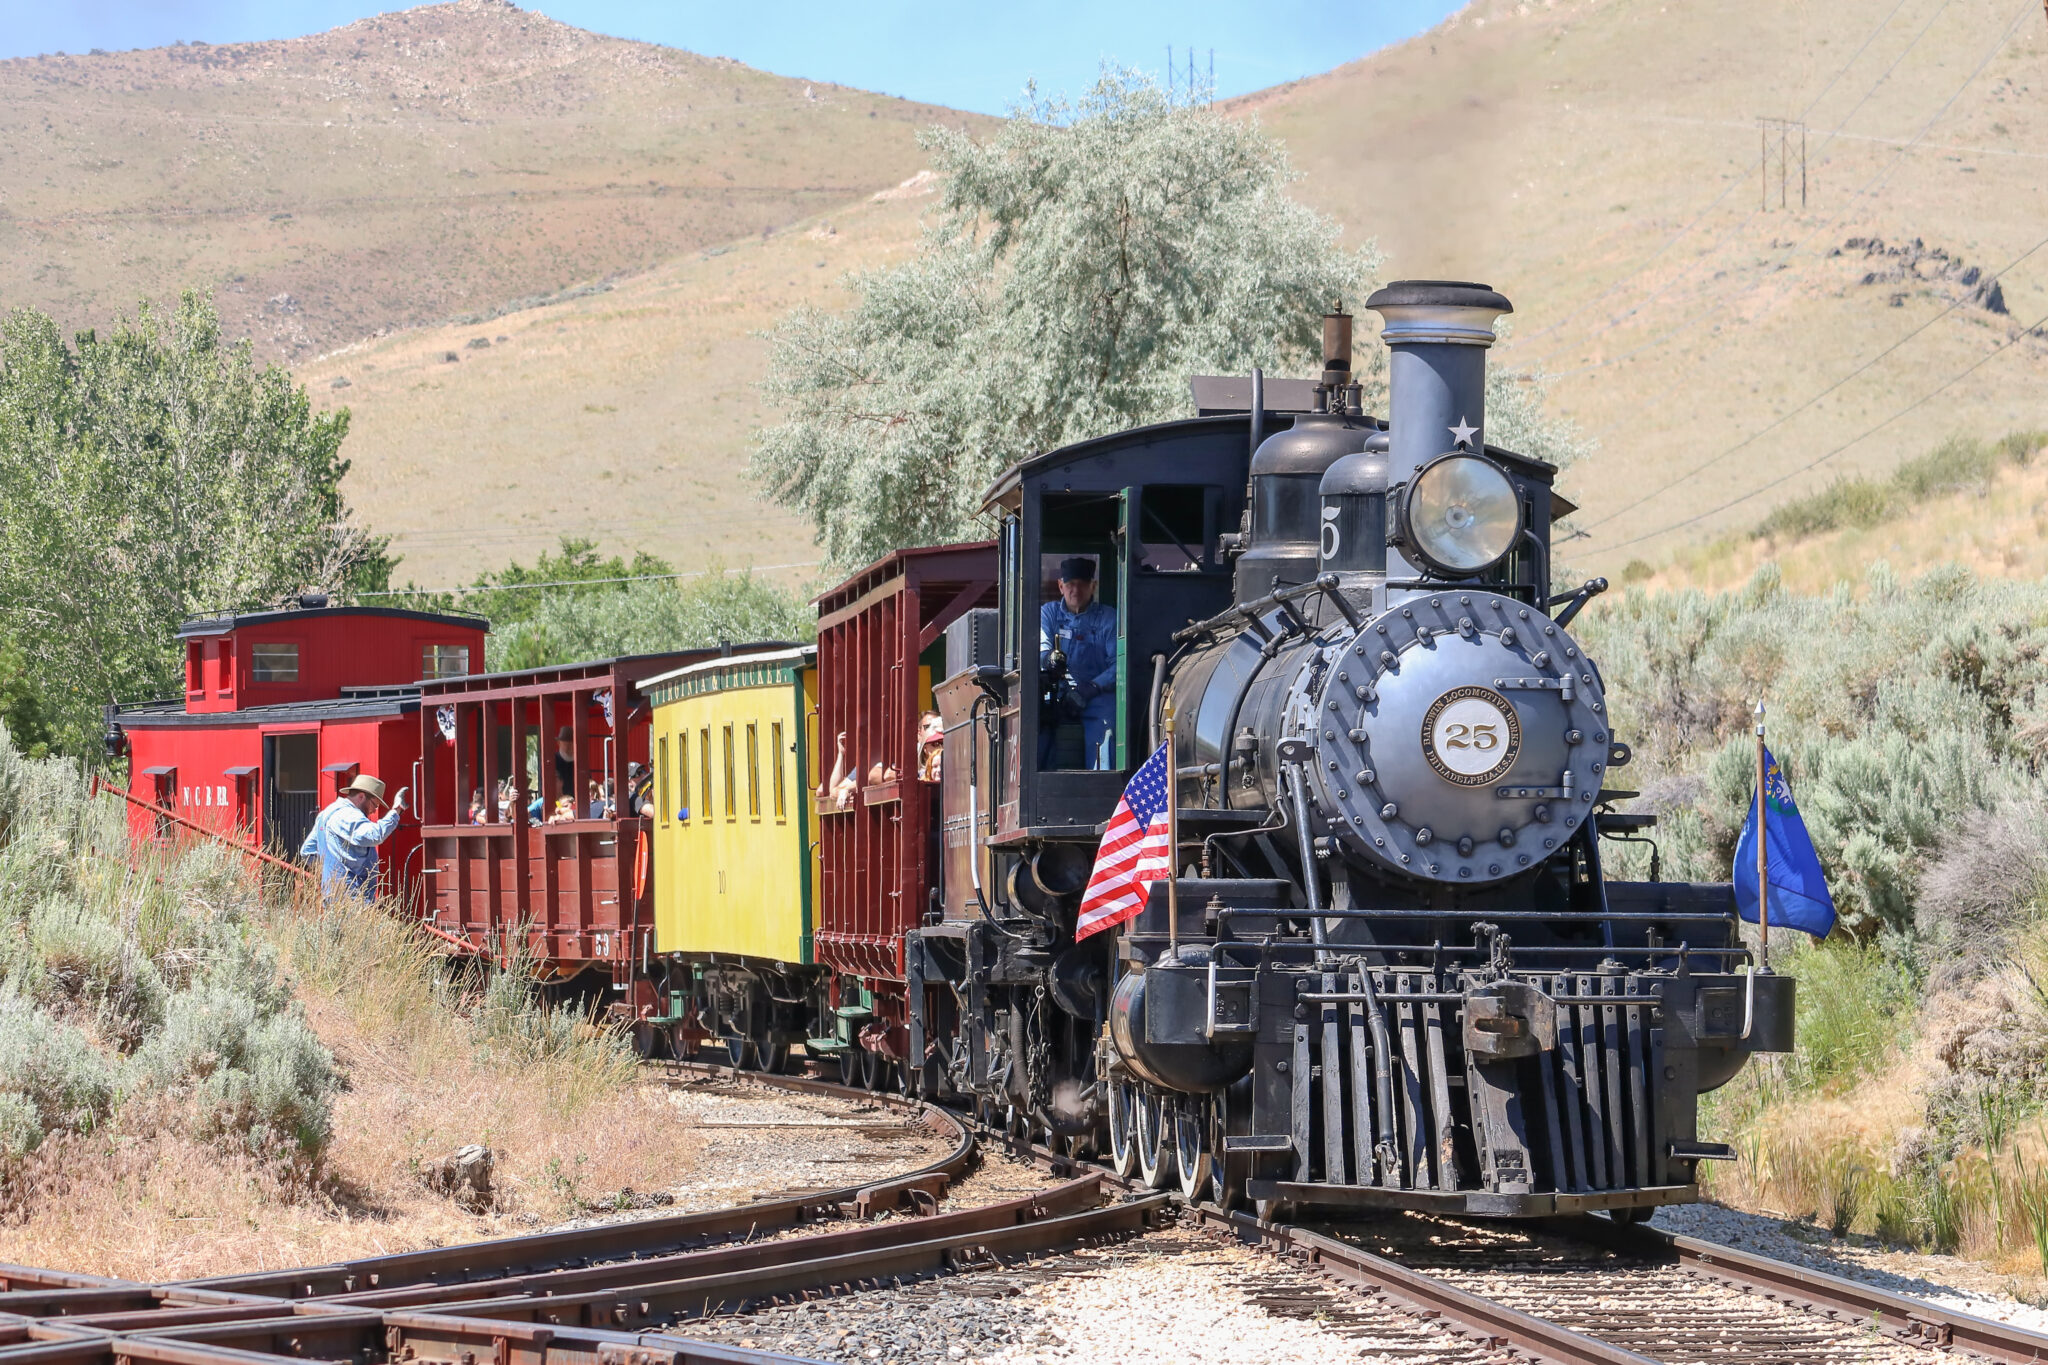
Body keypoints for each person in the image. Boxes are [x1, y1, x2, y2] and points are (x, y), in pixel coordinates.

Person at [1038, 555, 1117, 769]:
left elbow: (1119, 664)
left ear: (1094, 586)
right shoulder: (1048, 613)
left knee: (1109, 722)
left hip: (1096, 695)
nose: (1076, 590)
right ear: (1061, 586)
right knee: (1037, 722)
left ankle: (1103, 782)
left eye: (1082, 584)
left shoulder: (1109, 618)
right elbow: (1041, 646)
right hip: (1057, 693)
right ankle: (1042, 783)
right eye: (1071, 584)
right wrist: (1049, 659)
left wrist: (1092, 687)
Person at [300, 774, 408, 898]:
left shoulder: (326, 814)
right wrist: (396, 810)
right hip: (352, 896)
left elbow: (307, 851)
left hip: (332, 894)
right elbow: (375, 834)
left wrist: (329, 875)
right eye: (375, 805)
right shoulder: (348, 815)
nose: (374, 811)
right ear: (361, 796)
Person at [917, 710, 943, 783]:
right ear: (925, 748)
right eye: (935, 744)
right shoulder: (918, 776)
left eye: (944, 743)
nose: (940, 748)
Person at [553, 726, 576, 801]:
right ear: (558, 743)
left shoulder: (580, 762)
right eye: (565, 743)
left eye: (570, 743)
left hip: (576, 805)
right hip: (558, 803)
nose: (567, 747)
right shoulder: (552, 761)